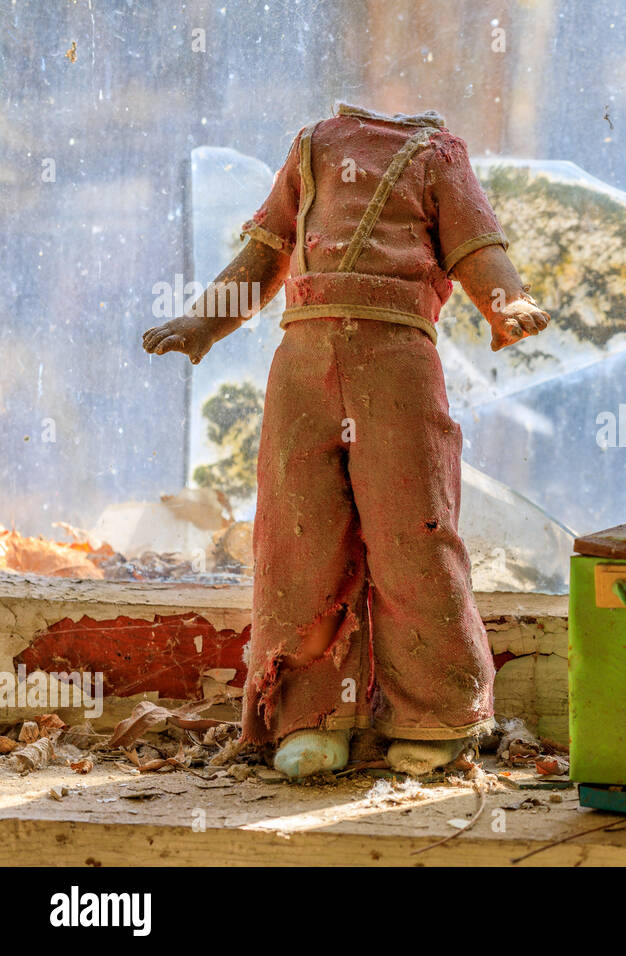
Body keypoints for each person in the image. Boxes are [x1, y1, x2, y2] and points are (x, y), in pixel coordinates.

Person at [142, 103, 549, 778]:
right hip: (303, 359)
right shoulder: (312, 145)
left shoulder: (439, 155)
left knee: (413, 533)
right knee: (297, 538)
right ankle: (310, 712)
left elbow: (478, 244)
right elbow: (265, 251)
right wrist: (202, 322)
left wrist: (506, 302)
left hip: (397, 360)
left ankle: (436, 712)